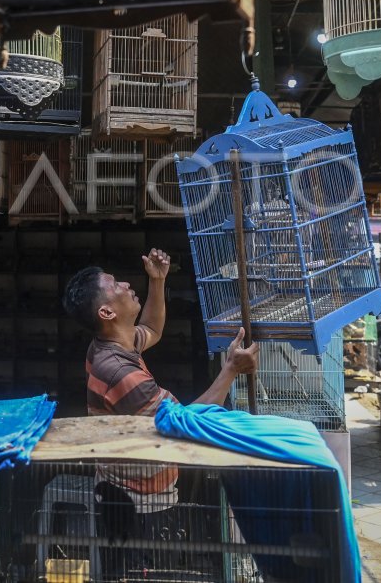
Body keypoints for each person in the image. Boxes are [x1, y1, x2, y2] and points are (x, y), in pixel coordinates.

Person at [62, 248, 260, 579]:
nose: (125, 284)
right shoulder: (118, 372)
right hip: (137, 507)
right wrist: (230, 370)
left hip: (128, 495)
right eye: (115, 285)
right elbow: (184, 425)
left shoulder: (112, 345)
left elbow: (151, 329)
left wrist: (157, 281)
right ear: (107, 312)